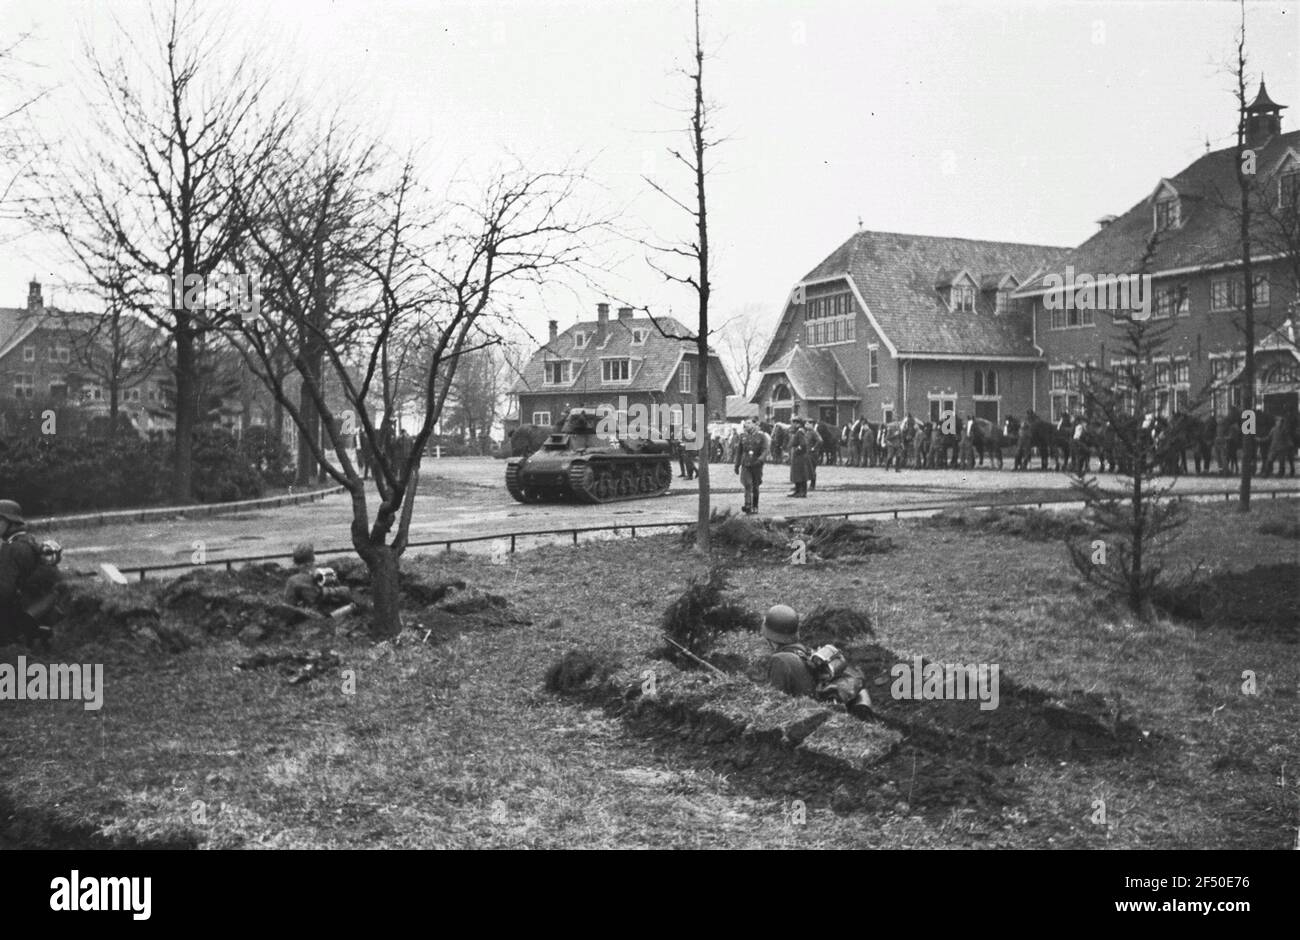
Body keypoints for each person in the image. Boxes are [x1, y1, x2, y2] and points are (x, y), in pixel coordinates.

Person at [0, 500, 58, 648]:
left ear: (11, 522)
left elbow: (5, 591)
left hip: (16, 611)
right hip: (31, 603)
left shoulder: (11, 549)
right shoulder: (29, 541)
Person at [284, 542, 351, 611]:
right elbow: (345, 593)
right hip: (331, 611)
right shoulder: (326, 573)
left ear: (295, 562)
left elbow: (288, 605)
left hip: (310, 614)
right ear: (313, 559)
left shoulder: (292, 581)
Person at [733, 418, 767, 514]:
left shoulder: (761, 436)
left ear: (754, 424)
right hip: (746, 464)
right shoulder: (743, 436)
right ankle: (747, 504)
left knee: (755, 486)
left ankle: (755, 505)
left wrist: (760, 460)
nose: (746, 425)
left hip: (756, 465)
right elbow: (739, 452)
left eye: (749, 423)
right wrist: (737, 465)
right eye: (746, 423)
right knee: (747, 484)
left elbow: (765, 450)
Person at [787, 418, 811, 497]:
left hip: (800, 456)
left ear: (798, 424)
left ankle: (802, 492)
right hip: (797, 456)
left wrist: (797, 450)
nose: (792, 425)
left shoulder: (800, 432)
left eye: (794, 423)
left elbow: (803, 444)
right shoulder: (798, 432)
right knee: (796, 474)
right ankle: (797, 491)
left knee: (801, 474)